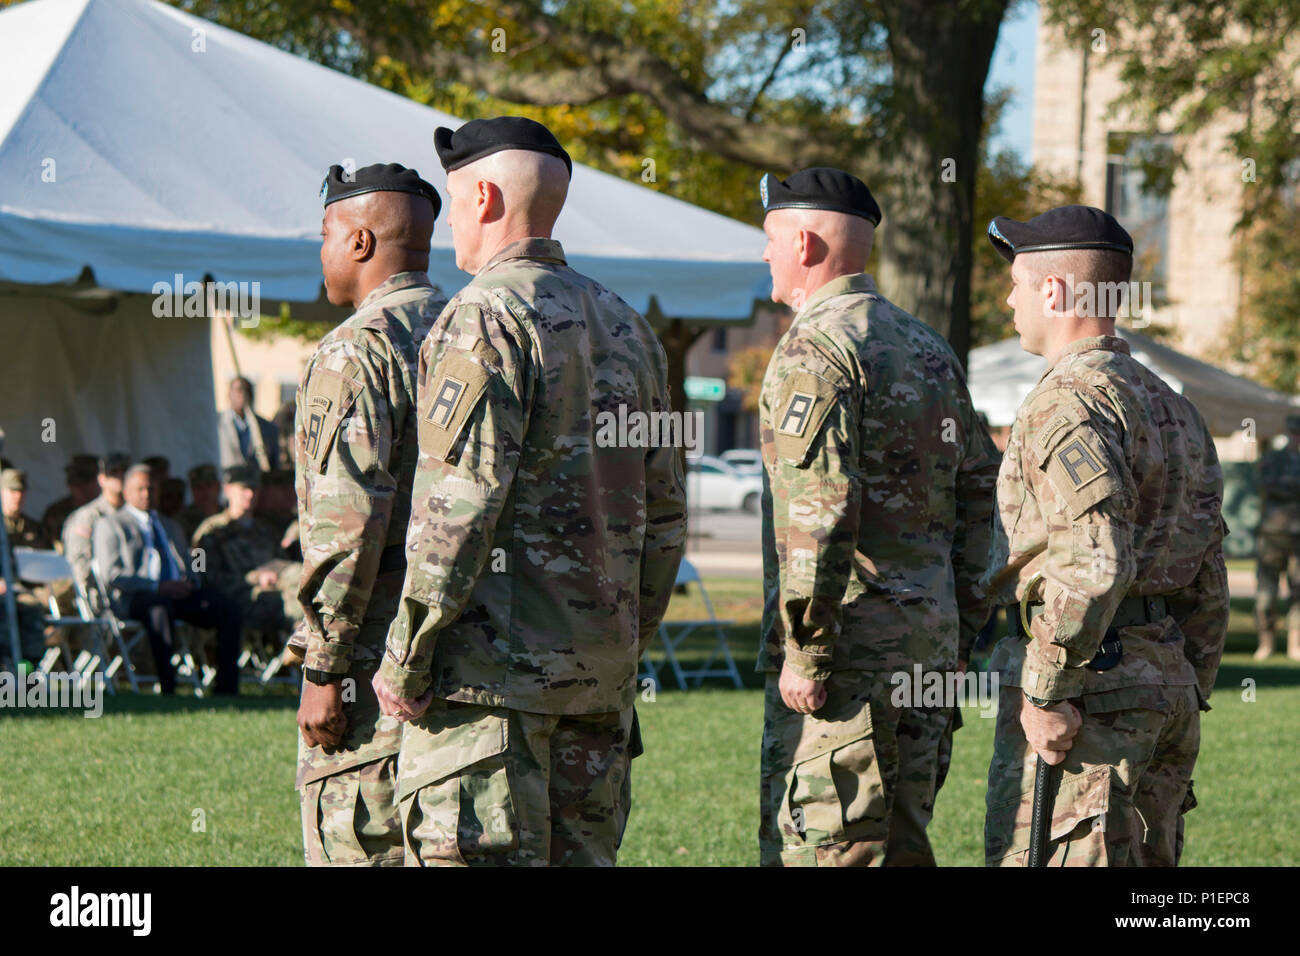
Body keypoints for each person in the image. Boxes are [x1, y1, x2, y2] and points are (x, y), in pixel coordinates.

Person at [372, 116, 687, 867]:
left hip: (489, 695)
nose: (448, 223)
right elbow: (667, 513)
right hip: (596, 686)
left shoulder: (481, 317)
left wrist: (406, 657)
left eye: (452, 203)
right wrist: (621, 641)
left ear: (484, 197)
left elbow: (458, 508)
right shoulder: (632, 328)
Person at [753, 168, 999, 867]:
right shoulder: (930, 348)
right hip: (928, 646)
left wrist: (808, 651)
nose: (763, 254)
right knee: (903, 846)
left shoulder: (816, 347)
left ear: (803, 242)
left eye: (769, 239)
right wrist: (961, 627)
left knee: (831, 851)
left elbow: (819, 512)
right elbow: (984, 493)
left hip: (851, 660)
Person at [980, 205, 1227, 866]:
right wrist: (1185, 679)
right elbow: (1209, 567)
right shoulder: (1175, 404)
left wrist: (1048, 689)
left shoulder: (1068, 401)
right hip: (1163, 683)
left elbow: (1093, 563)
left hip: (1095, 697)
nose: (1009, 297)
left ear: (1055, 291)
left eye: (1018, 281)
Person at [293, 161, 449, 867]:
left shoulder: (357, 349)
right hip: (458, 662)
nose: (319, 252)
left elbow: (347, 522)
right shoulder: (468, 331)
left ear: (359, 241)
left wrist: (322, 668)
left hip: (367, 668)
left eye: (325, 234)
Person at [93, 463, 243, 694]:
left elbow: (190, 561)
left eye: (151, 488)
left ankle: (226, 687)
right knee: (159, 610)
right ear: (126, 491)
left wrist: (191, 582)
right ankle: (168, 685)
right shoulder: (111, 525)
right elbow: (112, 574)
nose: (146, 494)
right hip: (137, 597)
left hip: (176, 594)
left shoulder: (170, 525)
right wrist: (157, 586)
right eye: (140, 489)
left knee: (227, 608)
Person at [193, 465, 302, 635]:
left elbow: (284, 564)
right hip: (240, 599)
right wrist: (255, 577)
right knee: (298, 606)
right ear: (227, 490)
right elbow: (200, 576)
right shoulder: (208, 532)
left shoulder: (266, 530)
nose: (250, 495)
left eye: (254, 489)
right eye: (244, 489)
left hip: (277, 590)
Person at [1253, 415, 1300, 660]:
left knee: (1298, 592)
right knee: (1266, 594)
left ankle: (1295, 645)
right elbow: (1269, 486)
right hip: (1272, 536)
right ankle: (1266, 643)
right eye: (1294, 433)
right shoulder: (1273, 459)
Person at [63, 453, 129, 592]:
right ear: (102, 479)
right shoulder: (88, 517)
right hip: (103, 593)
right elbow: (80, 566)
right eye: (113, 473)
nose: (120, 476)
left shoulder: (134, 515)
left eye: (125, 471)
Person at [218, 376, 279, 472]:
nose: (243, 394)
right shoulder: (218, 424)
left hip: (256, 481)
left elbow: (274, 462)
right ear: (229, 394)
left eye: (247, 390)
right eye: (239, 390)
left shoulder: (266, 427)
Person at [41, 454, 100, 548]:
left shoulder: (108, 510)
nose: (81, 489)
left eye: (87, 483)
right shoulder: (56, 512)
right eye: (76, 484)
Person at [176, 464, 223, 542]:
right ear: (192, 490)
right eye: (198, 487)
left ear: (218, 487)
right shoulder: (182, 521)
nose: (204, 491)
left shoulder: (229, 516)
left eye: (208, 485)